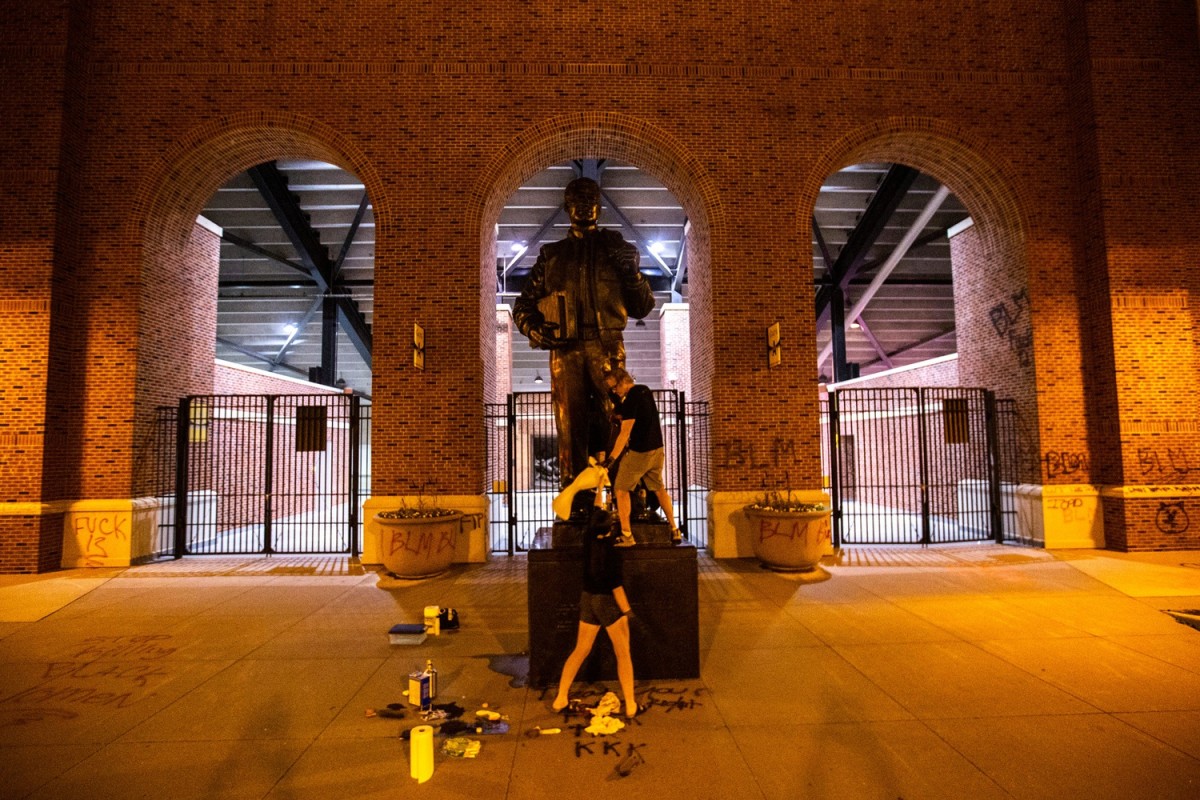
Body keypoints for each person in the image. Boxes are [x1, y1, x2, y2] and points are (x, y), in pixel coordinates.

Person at [513, 177, 655, 503]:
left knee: (616, 418)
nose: (584, 205)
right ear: (566, 207)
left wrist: (631, 274)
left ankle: (626, 492)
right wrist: (535, 329)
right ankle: (575, 496)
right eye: (576, 199)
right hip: (566, 350)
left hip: (607, 345)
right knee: (570, 423)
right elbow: (524, 305)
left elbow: (643, 306)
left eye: (590, 198)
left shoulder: (617, 250)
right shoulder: (552, 256)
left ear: (600, 207)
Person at [551, 489, 640, 719]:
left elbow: (596, 510)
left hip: (587, 598)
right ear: (610, 529)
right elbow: (616, 586)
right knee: (623, 654)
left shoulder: (588, 541)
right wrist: (627, 611)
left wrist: (600, 485)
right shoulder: (612, 551)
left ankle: (561, 695)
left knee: (580, 650)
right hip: (607, 603)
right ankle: (630, 702)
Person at [605, 367, 682, 546]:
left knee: (621, 489)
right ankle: (674, 528)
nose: (615, 391)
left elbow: (625, 433)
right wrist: (617, 404)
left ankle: (627, 535)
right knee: (658, 488)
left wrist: (611, 459)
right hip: (657, 451)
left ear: (623, 381)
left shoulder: (631, 398)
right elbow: (636, 415)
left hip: (640, 453)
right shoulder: (644, 391)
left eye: (615, 387)